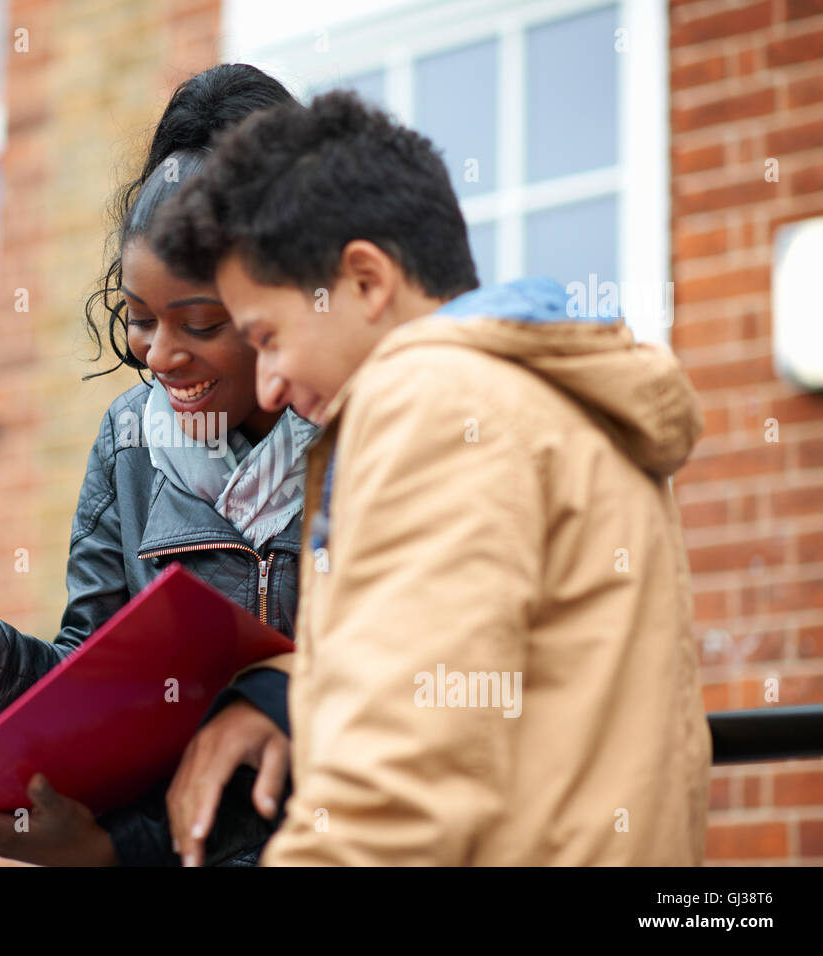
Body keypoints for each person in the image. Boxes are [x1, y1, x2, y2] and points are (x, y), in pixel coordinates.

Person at [148, 90, 712, 865]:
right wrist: (284, 692)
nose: (270, 384)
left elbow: (392, 802)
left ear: (367, 281)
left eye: (269, 337)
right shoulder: (552, 400)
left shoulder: (434, 406)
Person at [0, 64, 317, 867]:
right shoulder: (129, 442)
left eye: (196, 322)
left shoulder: (365, 428)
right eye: (136, 318)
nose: (160, 356)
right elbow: (90, 687)